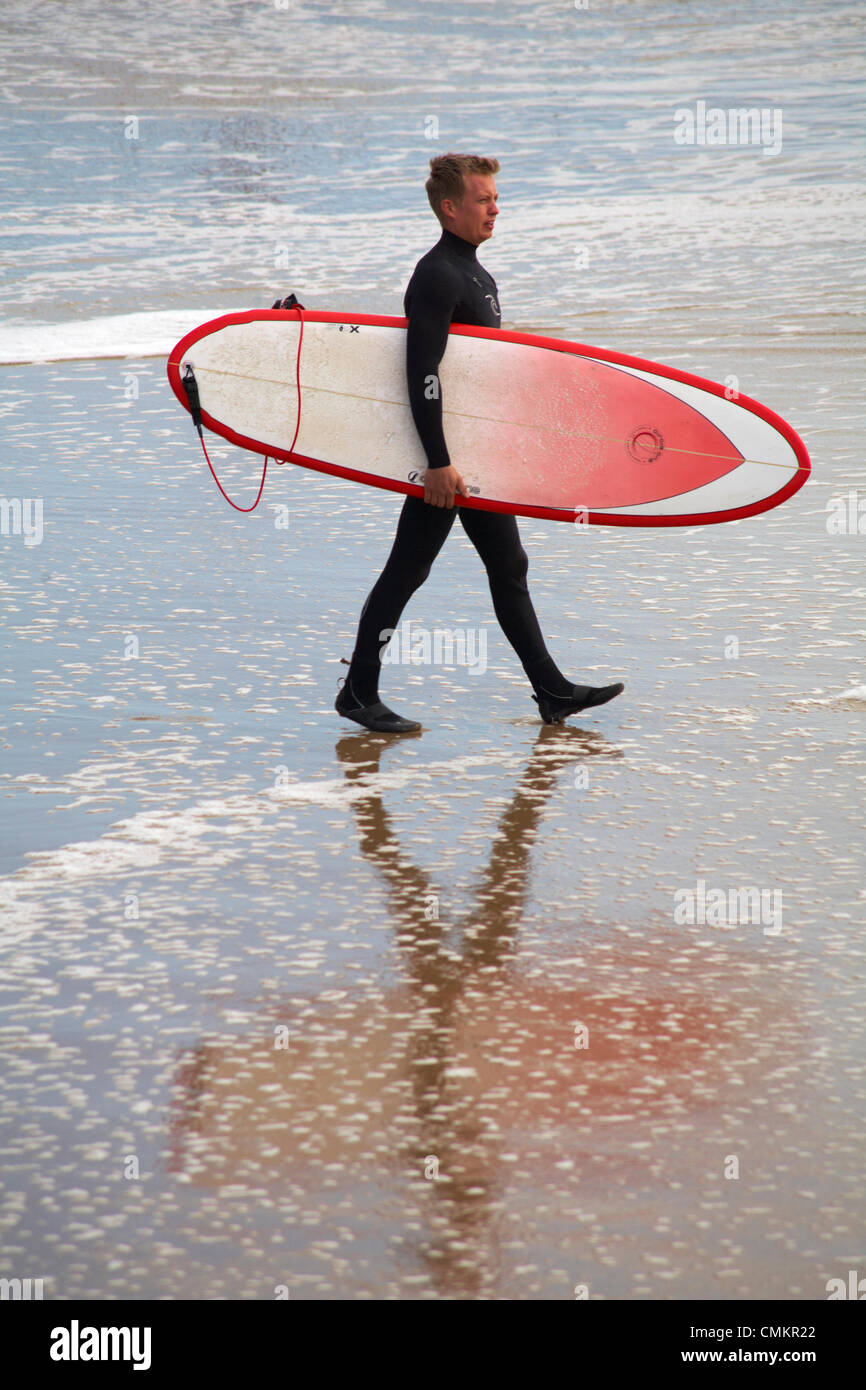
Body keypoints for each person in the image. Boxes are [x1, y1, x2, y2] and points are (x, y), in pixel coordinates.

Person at [335, 153, 624, 733]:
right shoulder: (437, 275)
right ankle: (359, 691)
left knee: (505, 564)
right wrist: (438, 463)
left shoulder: (476, 274)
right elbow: (422, 372)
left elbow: (479, 375)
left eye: (495, 197)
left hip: (472, 455)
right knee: (408, 570)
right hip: (446, 459)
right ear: (450, 207)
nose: (496, 207)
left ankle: (551, 691)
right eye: (483, 199)